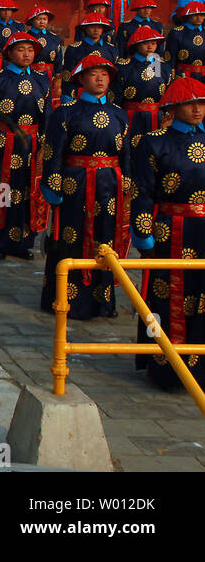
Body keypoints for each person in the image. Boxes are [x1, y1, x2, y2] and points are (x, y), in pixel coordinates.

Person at [40, 53, 130, 319]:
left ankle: (103, 301)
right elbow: (52, 152)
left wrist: (126, 185)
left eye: (105, 74)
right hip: (75, 184)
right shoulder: (66, 113)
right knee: (71, 238)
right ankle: (67, 299)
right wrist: (52, 186)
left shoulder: (119, 114)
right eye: (93, 74)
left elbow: (125, 156)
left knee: (105, 239)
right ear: (80, 79)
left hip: (109, 184)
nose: (100, 79)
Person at [129, 76, 205, 391]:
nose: (198, 110)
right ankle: (167, 369)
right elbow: (142, 191)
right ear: (173, 107)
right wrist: (143, 230)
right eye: (191, 104)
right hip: (171, 229)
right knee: (167, 295)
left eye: (202, 104)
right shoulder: (154, 141)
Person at [0, 32, 51, 262]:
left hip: (31, 144)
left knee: (28, 191)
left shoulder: (42, 79)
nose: (26, 54)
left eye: (30, 50)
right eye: (20, 49)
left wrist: (47, 141)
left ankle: (22, 241)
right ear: (9, 52)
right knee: (3, 189)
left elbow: (47, 113)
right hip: (3, 143)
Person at [116, 25, 169, 142]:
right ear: (136, 45)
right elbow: (117, 96)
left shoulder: (163, 67)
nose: (150, 46)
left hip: (157, 116)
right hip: (131, 115)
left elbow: (167, 92)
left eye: (153, 43)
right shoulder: (124, 67)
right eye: (146, 43)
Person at [167, 0, 205, 79]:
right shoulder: (176, 33)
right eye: (195, 15)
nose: (199, 18)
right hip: (183, 76)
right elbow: (170, 58)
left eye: (202, 14)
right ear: (187, 16)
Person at [0, 0, 24, 70]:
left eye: (9, 10)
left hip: (14, 62)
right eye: (3, 10)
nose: (6, 12)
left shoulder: (19, 26)